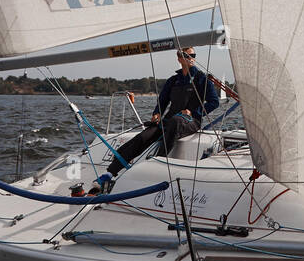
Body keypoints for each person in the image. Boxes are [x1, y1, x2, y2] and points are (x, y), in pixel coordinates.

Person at [94, 48, 220, 188]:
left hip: (191, 122)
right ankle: (110, 173)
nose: (191, 57)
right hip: (169, 121)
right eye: (187, 55)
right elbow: (162, 101)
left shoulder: (203, 80)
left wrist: (193, 112)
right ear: (179, 58)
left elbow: (214, 102)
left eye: (193, 55)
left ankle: (157, 164)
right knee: (143, 136)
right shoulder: (173, 80)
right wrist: (157, 113)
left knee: (175, 122)